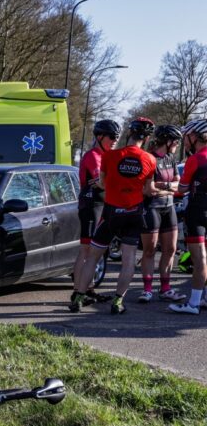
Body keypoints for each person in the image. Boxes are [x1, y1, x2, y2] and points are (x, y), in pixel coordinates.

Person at [71, 117, 157, 315]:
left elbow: (102, 183)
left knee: (93, 256)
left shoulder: (110, 156)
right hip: (133, 213)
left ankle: (78, 297)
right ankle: (118, 301)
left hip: (110, 212)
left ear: (129, 133)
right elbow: (148, 189)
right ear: (145, 139)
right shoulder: (150, 160)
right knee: (128, 259)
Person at [71, 119, 120, 306]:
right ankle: (78, 291)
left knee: (96, 252)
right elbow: (102, 181)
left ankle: (88, 289)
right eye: (112, 137)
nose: (115, 140)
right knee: (86, 250)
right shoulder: (92, 155)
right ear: (99, 137)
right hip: (91, 206)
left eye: (117, 137)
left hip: (102, 204)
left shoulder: (108, 155)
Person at [138, 125, 186, 303]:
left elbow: (178, 184)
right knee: (149, 250)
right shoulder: (150, 158)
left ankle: (165, 289)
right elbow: (147, 190)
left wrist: (162, 186)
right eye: (175, 141)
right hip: (151, 208)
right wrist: (169, 187)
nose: (177, 144)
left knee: (171, 249)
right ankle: (147, 290)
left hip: (169, 207)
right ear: (166, 141)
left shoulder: (171, 158)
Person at [166, 118, 207, 314]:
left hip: (197, 212)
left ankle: (193, 304)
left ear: (196, 137)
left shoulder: (195, 159)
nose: (185, 139)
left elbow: (181, 189)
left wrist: (165, 186)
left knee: (199, 260)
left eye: (187, 136)